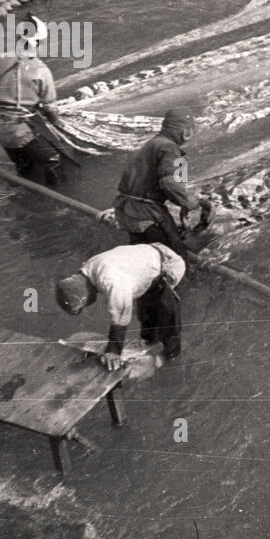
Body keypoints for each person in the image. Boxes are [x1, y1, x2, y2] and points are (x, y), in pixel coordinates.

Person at [55, 243, 185, 371]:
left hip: (167, 265)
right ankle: (150, 343)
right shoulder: (88, 268)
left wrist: (113, 351)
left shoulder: (110, 280)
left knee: (165, 319)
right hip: (147, 258)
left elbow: (122, 313)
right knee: (146, 316)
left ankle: (168, 359)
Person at [112, 108, 211, 261]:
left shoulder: (151, 144)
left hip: (126, 209)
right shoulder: (170, 148)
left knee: (142, 255)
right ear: (186, 131)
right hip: (146, 212)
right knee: (175, 257)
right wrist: (191, 203)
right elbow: (170, 182)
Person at [0, 14, 64, 185]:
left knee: (25, 169)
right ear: (39, 43)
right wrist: (57, 123)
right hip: (21, 132)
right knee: (53, 160)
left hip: (1, 129)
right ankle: (55, 198)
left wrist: (8, 96)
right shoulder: (41, 70)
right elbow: (50, 107)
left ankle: (25, 196)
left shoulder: (3, 58)